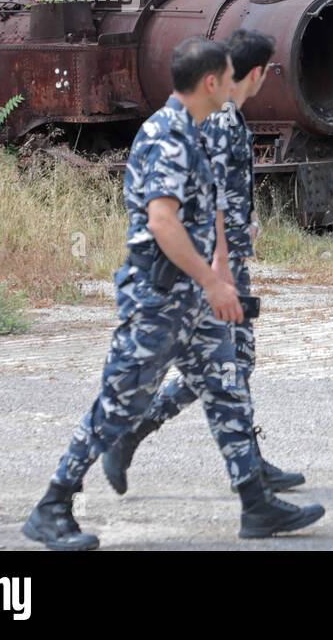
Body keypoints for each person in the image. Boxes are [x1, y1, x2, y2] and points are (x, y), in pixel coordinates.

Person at [22, 36, 323, 550]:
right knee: (119, 404)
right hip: (159, 298)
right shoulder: (166, 136)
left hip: (195, 299)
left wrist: (217, 277)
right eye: (229, 76)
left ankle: (255, 502)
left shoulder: (197, 131)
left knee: (227, 388)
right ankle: (52, 504)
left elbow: (207, 212)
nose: (236, 84)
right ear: (211, 82)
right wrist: (211, 279)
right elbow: (163, 221)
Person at [102, 29, 306, 494]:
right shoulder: (218, 122)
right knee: (224, 363)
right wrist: (219, 263)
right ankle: (135, 431)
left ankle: (248, 464)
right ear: (252, 73)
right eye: (264, 72)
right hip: (216, 263)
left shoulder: (227, 117)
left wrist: (244, 224)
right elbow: (201, 193)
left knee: (233, 363)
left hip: (228, 254)